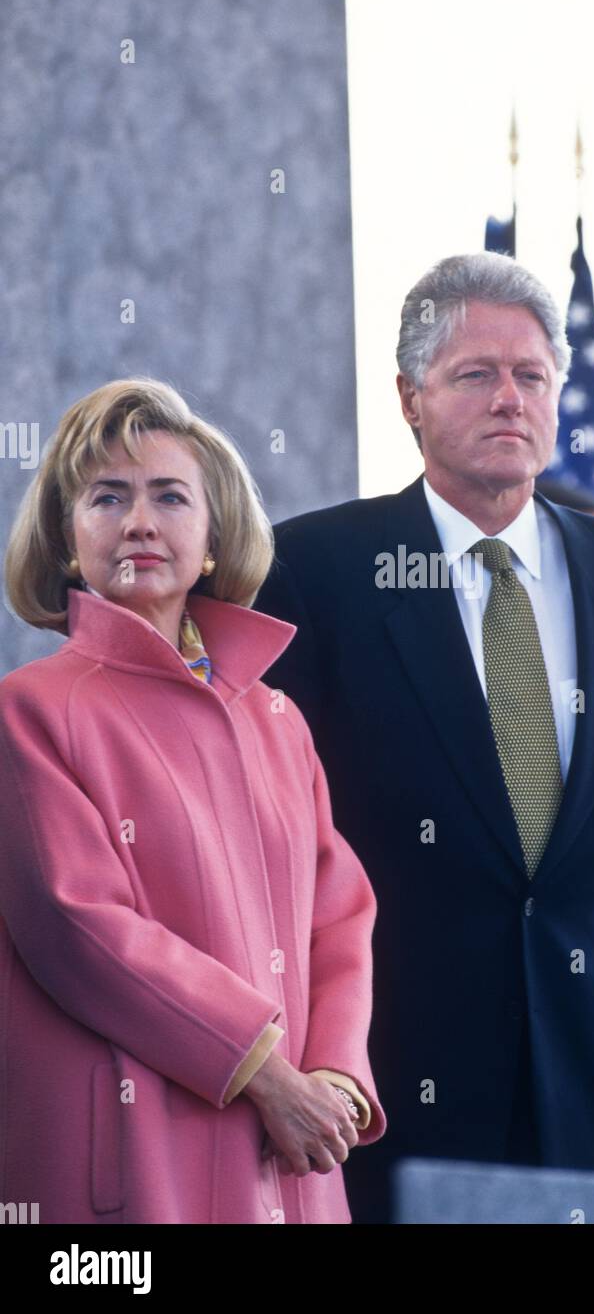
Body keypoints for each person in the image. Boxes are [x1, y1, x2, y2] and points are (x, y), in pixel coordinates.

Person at [253, 252, 594, 1222]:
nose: (510, 398)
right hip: (383, 1077)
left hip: (586, 1080)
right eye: (474, 374)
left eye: (531, 376)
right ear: (409, 397)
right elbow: (266, 837)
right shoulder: (312, 571)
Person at [0, 378, 385, 1224]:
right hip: (132, 1168)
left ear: (212, 538)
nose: (139, 521)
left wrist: (332, 1078)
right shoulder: (26, 709)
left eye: (170, 496)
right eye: (107, 498)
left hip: (294, 1153)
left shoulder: (277, 718)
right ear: (68, 541)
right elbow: (80, 926)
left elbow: (341, 917)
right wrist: (268, 1074)